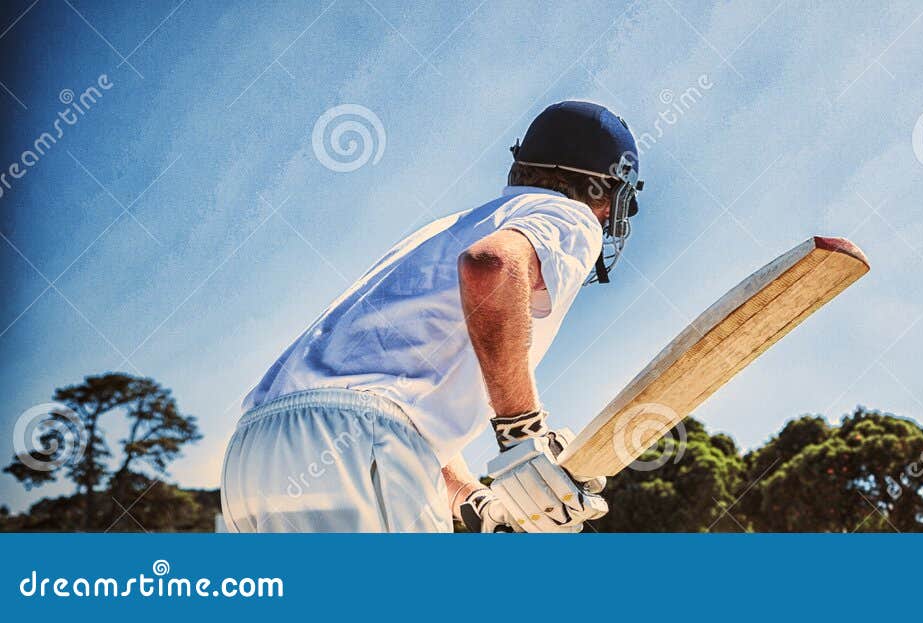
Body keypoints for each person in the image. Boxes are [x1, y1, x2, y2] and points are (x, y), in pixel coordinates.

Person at [220, 100, 644, 533]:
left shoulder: (448, 230)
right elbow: (491, 265)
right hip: (356, 444)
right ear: (606, 190)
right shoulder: (566, 215)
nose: (611, 217)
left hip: (254, 459)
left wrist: (476, 502)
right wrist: (522, 434)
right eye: (615, 204)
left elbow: (394, 398)